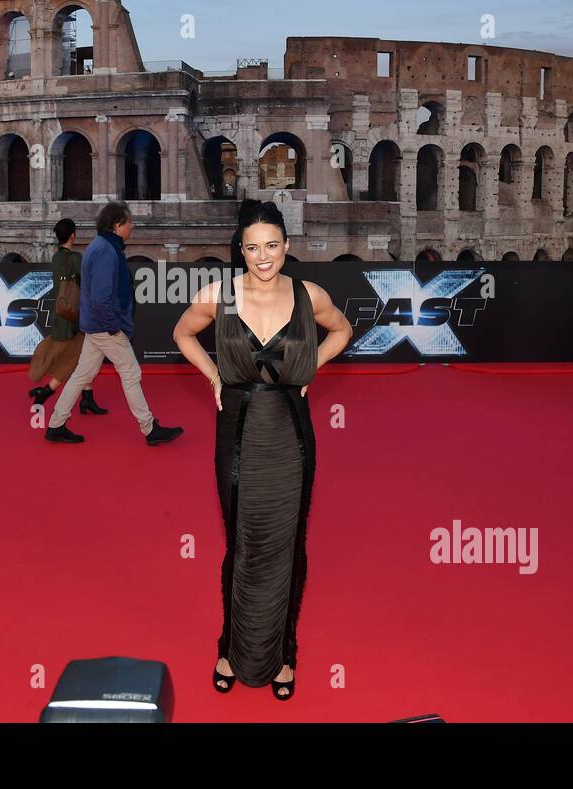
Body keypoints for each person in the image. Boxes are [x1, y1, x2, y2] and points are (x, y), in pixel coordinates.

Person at [172, 202, 352, 700]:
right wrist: (213, 376)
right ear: (241, 251)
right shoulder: (217, 295)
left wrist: (309, 365)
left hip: (290, 435)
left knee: (287, 542)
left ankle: (285, 653)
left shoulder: (308, 294)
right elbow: (182, 334)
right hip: (237, 430)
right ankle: (230, 647)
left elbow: (343, 330)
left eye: (271, 245)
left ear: (287, 246)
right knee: (242, 541)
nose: (262, 256)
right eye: (252, 247)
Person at [45, 203, 183, 446]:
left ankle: (56, 424)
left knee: (81, 374)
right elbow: (100, 297)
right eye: (129, 222)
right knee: (131, 373)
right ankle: (149, 428)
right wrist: (113, 326)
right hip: (104, 327)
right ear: (118, 226)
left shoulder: (101, 247)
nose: (133, 226)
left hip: (95, 325)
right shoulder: (106, 251)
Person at [28, 218, 105, 415]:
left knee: (83, 358)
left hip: (61, 315)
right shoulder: (76, 259)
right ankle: (47, 391)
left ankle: (87, 399)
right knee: (77, 360)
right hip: (78, 317)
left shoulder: (56, 258)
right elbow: (88, 284)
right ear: (73, 235)